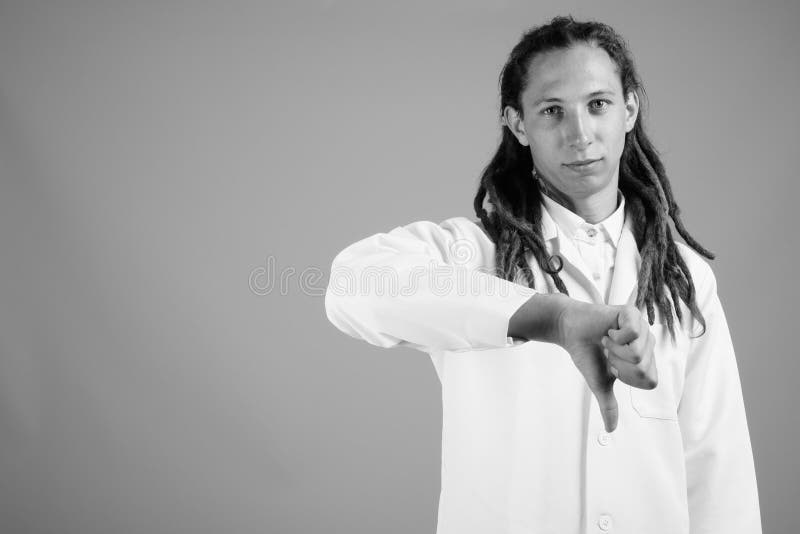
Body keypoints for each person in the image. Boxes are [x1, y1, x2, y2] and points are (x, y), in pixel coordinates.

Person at [324, 15, 761, 534]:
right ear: (518, 124)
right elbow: (352, 285)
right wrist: (552, 317)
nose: (580, 135)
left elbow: (717, 470)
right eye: (552, 111)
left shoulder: (681, 277)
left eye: (598, 104)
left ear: (630, 109)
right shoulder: (478, 254)